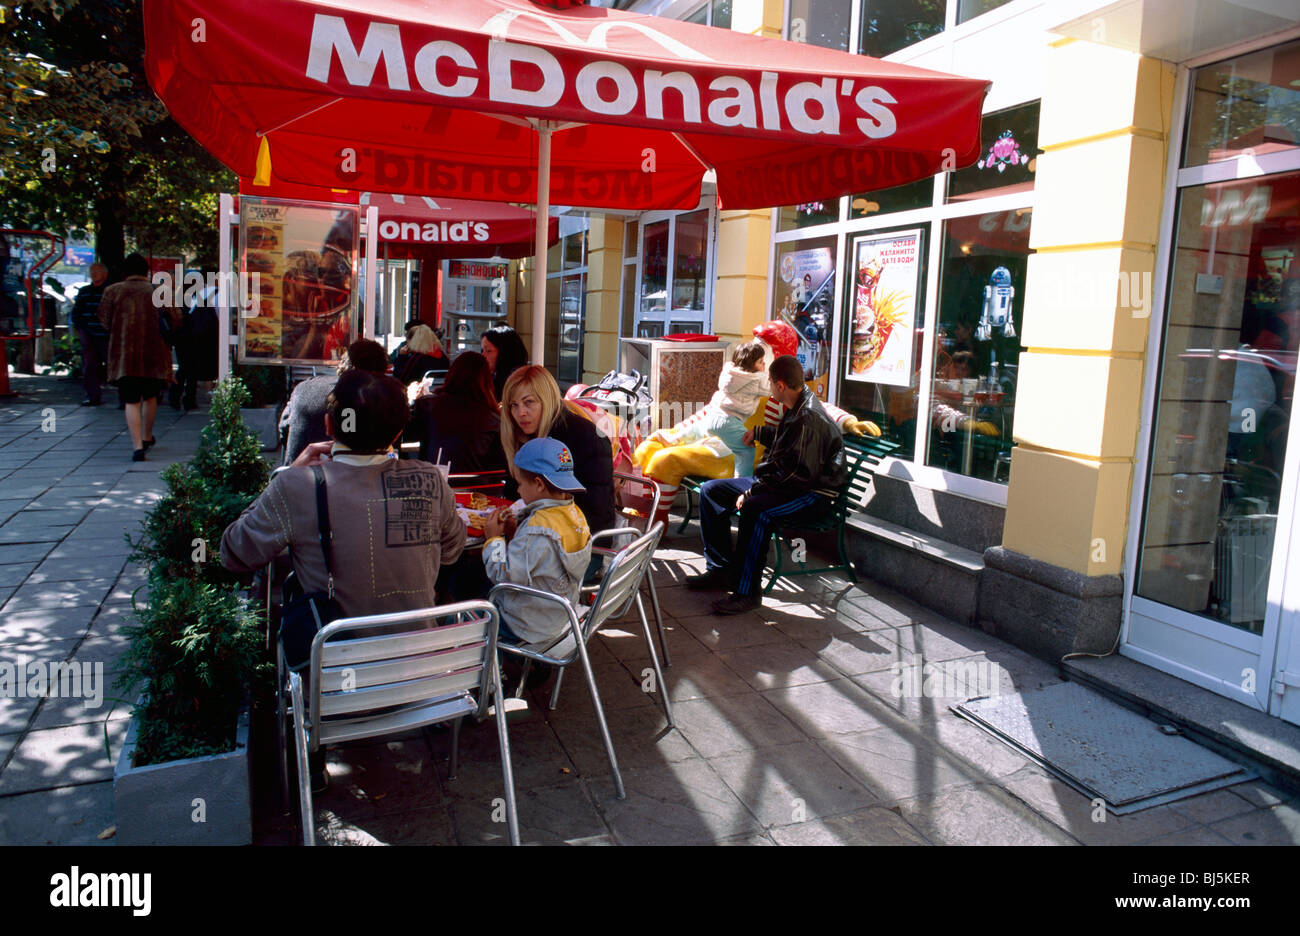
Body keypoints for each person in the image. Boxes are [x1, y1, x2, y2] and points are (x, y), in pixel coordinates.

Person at [222, 369, 465, 617]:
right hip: (421, 650)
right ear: (397, 433)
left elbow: (236, 552)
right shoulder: (431, 479)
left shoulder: (296, 485)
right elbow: (452, 550)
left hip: (334, 650)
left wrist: (285, 478)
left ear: (327, 423)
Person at [688, 354, 847, 615]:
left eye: (771, 383)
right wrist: (761, 434)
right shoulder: (798, 405)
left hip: (813, 494)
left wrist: (753, 491)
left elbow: (798, 476)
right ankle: (720, 571)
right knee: (711, 491)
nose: (769, 388)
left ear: (781, 386)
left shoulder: (807, 417)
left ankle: (748, 592)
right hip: (787, 481)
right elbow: (791, 447)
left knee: (755, 510)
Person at [482, 438, 592, 647]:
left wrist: (494, 540)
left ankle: (499, 669)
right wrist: (514, 534)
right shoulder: (574, 513)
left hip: (526, 624)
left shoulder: (536, 529)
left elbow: (503, 576)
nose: (518, 491)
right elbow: (541, 559)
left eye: (521, 484)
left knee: (465, 615)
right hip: (558, 614)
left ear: (539, 484)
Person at [500, 365, 614, 537]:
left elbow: (593, 510)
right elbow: (513, 494)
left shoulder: (584, 437)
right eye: (513, 405)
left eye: (528, 402)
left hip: (583, 544)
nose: (520, 412)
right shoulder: (521, 436)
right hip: (536, 535)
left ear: (546, 399)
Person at [98, 253, 178, 461]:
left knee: (130, 400)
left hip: (124, 355)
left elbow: (104, 322)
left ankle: (136, 447)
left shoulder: (112, 291)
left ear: (125, 271)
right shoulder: (158, 291)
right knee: (150, 397)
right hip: (153, 353)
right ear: (146, 271)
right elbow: (176, 318)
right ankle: (146, 436)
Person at [279, 338, 389, 464]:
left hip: (296, 470)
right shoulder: (380, 402)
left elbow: (284, 429)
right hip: (351, 477)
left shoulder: (304, 388)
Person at [408, 350, 505, 472]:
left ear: (452, 373)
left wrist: (411, 401)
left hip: (434, 482)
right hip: (477, 486)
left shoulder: (428, 406)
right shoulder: (493, 420)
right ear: (486, 381)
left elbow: (410, 436)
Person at [70, 263, 110, 407]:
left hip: (106, 334)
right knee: (90, 366)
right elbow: (76, 313)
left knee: (113, 365)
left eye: (97, 271)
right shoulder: (85, 291)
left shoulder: (110, 291)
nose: (94, 274)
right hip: (89, 334)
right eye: (92, 271)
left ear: (105, 274)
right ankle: (92, 396)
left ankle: (124, 398)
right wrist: (82, 329)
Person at [481, 325, 529, 402]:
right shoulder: (494, 377)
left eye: (488, 351)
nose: (483, 355)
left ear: (504, 353)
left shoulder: (520, 381)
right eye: (482, 350)